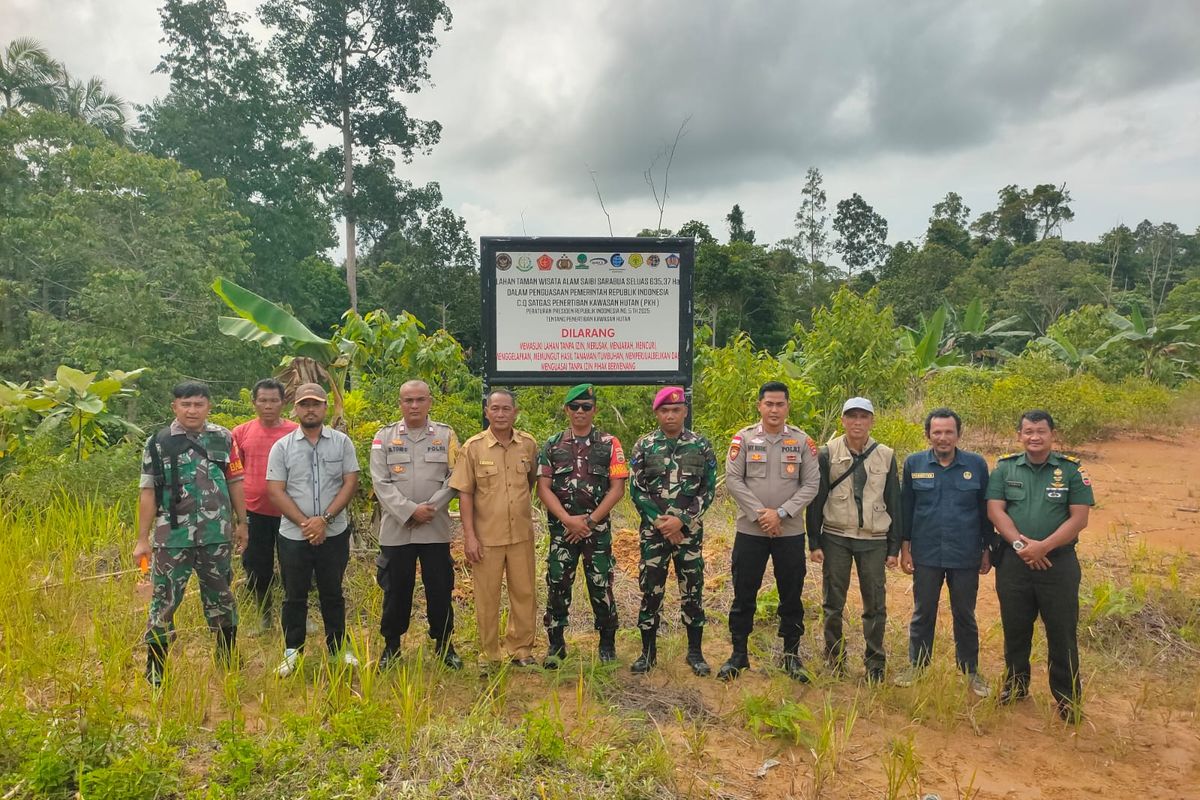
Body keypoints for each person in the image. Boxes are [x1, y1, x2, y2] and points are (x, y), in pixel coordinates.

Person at [134, 381, 248, 687]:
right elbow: (148, 492)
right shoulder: (158, 443)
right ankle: (155, 668)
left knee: (222, 597)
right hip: (172, 538)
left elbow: (235, 481)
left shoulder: (223, 438)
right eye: (185, 404)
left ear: (209, 406)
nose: (192, 410)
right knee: (164, 601)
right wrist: (142, 539)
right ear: (174, 407)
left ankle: (227, 658)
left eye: (198, 404)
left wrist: (242, 522)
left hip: (216, 535)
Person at [987, 410, 1093, 722]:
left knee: (1061, 633)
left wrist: (1043, 547)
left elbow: (1079, 518)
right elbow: (995, 511)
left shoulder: (1071, 470)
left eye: (1041, 431)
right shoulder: (1005, 469)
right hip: (1014, 563)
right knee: (1015, 629)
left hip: (1057, 565)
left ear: (1052, 434)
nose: (1035, 437)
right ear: (1019, 435)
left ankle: (1067, 698)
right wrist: (1022, 547)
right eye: (1028, 431)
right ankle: (1015, 686)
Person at [718, 381, 820, 682]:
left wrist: (782, 513)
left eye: (780, 404)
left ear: (788, 406)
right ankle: (738, 654)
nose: (774, 409)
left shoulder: (802, 442)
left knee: (791, 595)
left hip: (789, 532)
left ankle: (791, 655)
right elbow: (733, 480)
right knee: (744, 593)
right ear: (759, 406)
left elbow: (811, 484)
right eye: (769, 404)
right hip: (751, 530)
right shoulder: (744, 439)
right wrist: (762, 515)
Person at [896, 408, 993, 697]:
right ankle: (917, 666)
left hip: (965, 553)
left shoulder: (976, 465)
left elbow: (985, 510)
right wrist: (905, 547)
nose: (943, 438)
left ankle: (970, 671)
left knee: (965, 613)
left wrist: (987, 548)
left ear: (958, 434)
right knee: (923, 611)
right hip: (926, 552)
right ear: (928, 435)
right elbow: (907, 507)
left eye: (949, 432)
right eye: (937, 432)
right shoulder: (914, 463)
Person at [266, 383, 360, 677]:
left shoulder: (342, 443)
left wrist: (325, 520)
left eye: (316, 404)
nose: (310, 409)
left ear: (325, 407)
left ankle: (337, 650)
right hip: (294, 535)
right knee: (294, 594)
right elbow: (275, 490)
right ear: (295, 408)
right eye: (304, 404)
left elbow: (350, 482)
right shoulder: (282, 446)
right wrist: (307, 524)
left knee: (333, 592)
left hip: (333, 533)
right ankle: (292, 651)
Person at [806, 397, 901, 684]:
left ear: (872, 421)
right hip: (836, 537)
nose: (857, 422)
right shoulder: (827, 453)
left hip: (874, 540)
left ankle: (875, 663)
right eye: (851, 417)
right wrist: (814, 541)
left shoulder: (885, 454)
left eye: (863, 417)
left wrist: (894, 547)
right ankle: (834, 658)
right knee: (833, 603)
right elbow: (817, 498)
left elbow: (894, 501)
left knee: (875, 604)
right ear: (843, 420)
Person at [370, 380, 463, 670]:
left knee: (440, 587)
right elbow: (380, 482)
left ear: (430, 402)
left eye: (420, 400)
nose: (414, 405)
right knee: (396, 589)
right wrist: (410, 511)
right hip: (398, 530)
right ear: (400, 403)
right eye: (408, 400)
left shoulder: (446, 436)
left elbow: (455, 477)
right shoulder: (383, 437)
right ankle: (392, 646)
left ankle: (444, 645)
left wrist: (430, 508)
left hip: (434, 528)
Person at [536, 384, 628, 668]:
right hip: (563, 532)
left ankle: (607, 643)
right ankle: (556, 643)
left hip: (595, 531)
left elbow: (617, 488)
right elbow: (543, 488)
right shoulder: (552, 444)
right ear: (566, 410)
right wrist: (567, 520)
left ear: (594, 410)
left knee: (601, 586)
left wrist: (589, 521)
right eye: (574, 407)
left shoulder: (610, 444)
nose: (580, 412)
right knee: (558, 585)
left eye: (586, 407)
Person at [628, 386, 718, 676]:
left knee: (692, 589)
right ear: (656, 413)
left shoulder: (700, 446)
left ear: (685, 412)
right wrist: (662, 523)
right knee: (650, 589)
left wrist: (681, 521)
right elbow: (637, 489)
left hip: (689, 533)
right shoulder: (644, 446)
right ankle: (648, 653)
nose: (670, 415)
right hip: (654, 534)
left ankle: (695, 653)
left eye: (675, 410)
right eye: (664, 410)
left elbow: (708, 488)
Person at [449, 389, 540, 670]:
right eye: (495, 409)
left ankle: (521, 650)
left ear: (516, 412)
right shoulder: (473, 447)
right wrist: (470, 537)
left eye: (506, 409)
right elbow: (465, 493)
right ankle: (489, 653)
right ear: (487, 412)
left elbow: (532, 482)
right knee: (487, 598)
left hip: (521, 536)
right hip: (486, 538)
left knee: (525, 594)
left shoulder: (527, 444)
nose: (500, 414)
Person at [230, 378, 298, 633]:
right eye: (263, 400)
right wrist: (239, 517)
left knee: (295, 564)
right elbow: (235, 474)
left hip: (290, 512)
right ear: (254, 402)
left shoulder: (295, 431)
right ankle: (264, 616)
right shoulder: (240, 432)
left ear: (283, 402)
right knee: (257, 566)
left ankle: (299, 614)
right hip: (254, 512)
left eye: (274, 401)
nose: (268, 406)